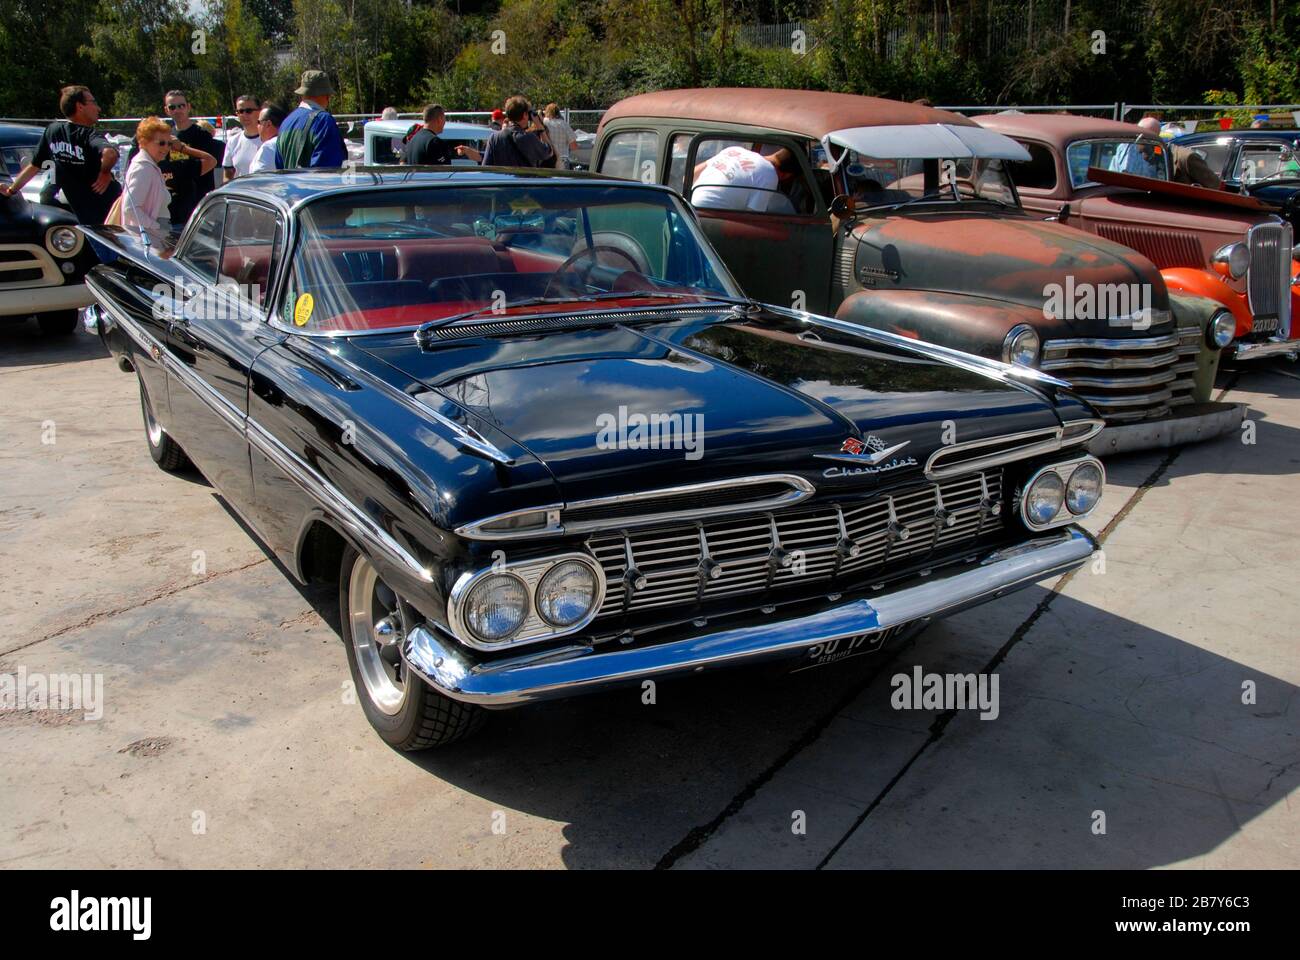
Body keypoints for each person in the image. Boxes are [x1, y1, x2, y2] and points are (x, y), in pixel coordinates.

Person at [0, 85, 121, 224]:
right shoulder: (89, 135)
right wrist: (104, 173)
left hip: (87, 213)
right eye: (93, 102)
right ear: (80, 106)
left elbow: (34, 166)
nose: (98, 108)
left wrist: (11, 190)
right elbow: (110, 154)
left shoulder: (53, 131)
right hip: (108, 213)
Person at [121, 116, 212, 249]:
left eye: (169, 143)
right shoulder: (143, 167)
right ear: (144, 142)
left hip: (153, 235)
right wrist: (157, 229)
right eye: (161, 143)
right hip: (148, 239)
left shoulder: (150, 165)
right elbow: (130, 210)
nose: (166, 148)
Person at [159, 90, 222, 226]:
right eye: (172, 107)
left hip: (199, 205)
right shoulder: (166, 136)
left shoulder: (202, 135)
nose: (177, 110)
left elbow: (211, 162)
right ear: (166, 110)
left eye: (181, 106)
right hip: (174, 207)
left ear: (188, 107)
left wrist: (182, 148)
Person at [690, 145, 797, 212]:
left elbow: (692, 174)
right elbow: (752, 216)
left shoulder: (735, 149)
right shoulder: (770, 175)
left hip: (689, 206)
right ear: (785, 175)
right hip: (710, 218)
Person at [275, 70, 347, 169]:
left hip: (289, 184)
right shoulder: (323, 121)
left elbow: (279, 166)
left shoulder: (286, 122)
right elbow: (327, 170)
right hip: (313, 184)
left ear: (303, 94)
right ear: (326, 95)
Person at [481, 96, 556, 168]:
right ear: (524, 115)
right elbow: (549, 152)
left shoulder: (494, 138)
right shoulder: (528, 138)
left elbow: (486, 167)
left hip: (502, 180)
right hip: (522, 180)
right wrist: (540, 127)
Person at [222, 94, 262, 181]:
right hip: (241, 193)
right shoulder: (233, 142)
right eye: (240, 111)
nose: (244, 115)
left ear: (260, 112)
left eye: (248, 111)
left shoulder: (270, 140)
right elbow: (227, 175)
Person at [249, 104, 285, 173]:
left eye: (259, 122)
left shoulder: (269, 147)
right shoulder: (290, 143)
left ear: (268, 124)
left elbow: (258, 178)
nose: (257, 126)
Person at [541, 103, 578, 169]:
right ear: (558, 112)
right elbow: (574, 146)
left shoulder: (543, 122)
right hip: (562, 159)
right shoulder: (564, 124)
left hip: (547, 159)